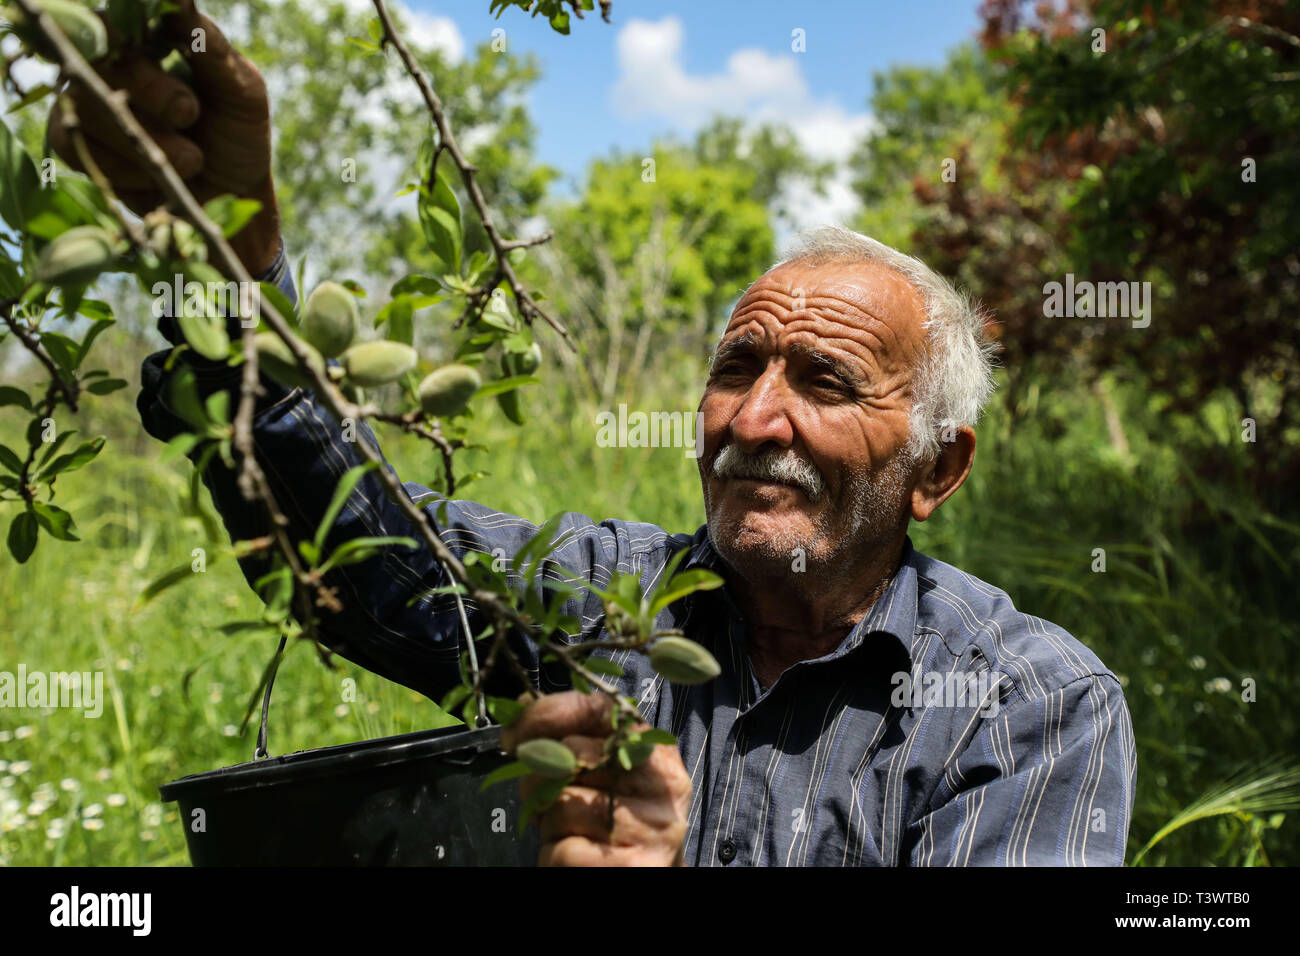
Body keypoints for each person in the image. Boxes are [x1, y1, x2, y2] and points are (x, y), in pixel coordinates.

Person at [48, 0, 1136, 867]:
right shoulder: (610, 603)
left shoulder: (1028, 704)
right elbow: (359, 558)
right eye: (734, 367)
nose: (753, 419)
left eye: (826, 380)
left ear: (936, 466)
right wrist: (228, 260)